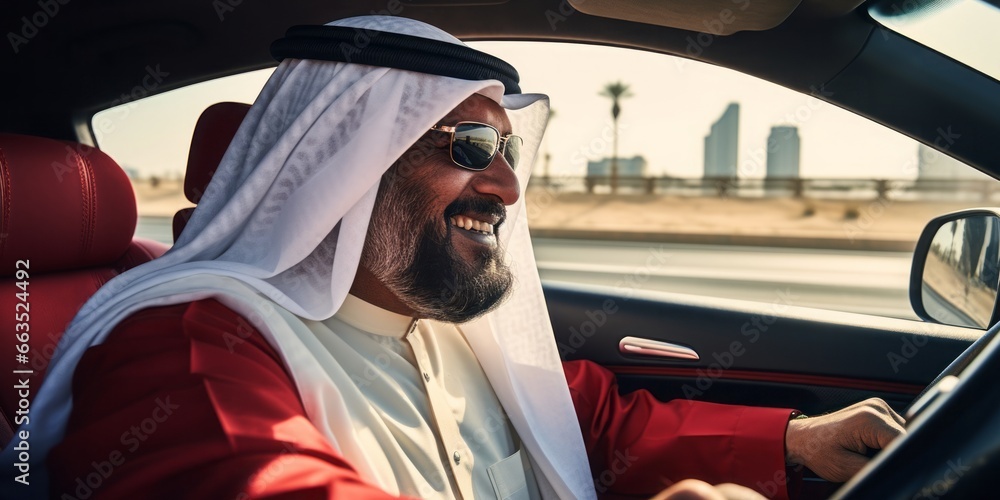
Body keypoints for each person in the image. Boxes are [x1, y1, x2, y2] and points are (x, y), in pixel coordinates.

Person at [2, 16, 904, 500]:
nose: (506, 187)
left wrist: (796, 442)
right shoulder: (187, 347)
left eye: (508, 152)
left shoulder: (440, 322)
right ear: (347, 168)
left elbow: (590, 431)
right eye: (469, 147)